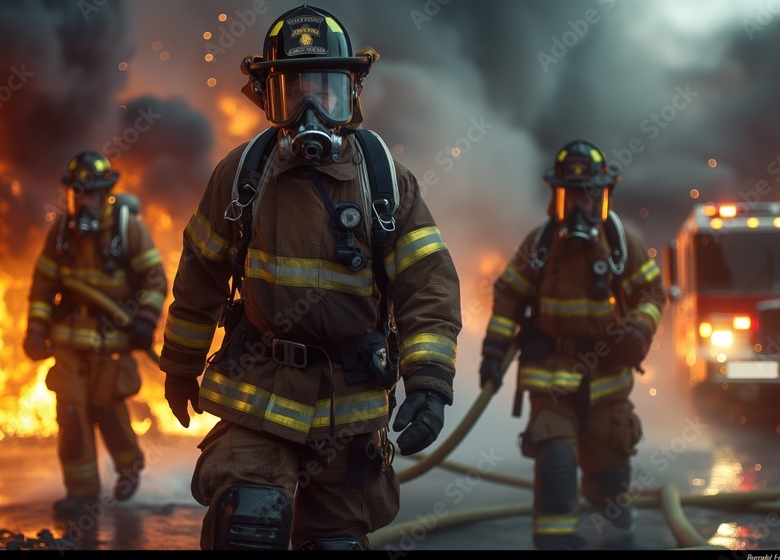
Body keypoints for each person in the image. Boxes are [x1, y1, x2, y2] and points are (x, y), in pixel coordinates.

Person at [158, 4, 462, 551]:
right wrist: (180, 367)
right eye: (292, 92)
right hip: (258, 393)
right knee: (249, 523)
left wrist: (430, 382)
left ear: (352, 95)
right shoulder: (242, 175)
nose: (310, 110)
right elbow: (199, 278)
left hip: (350, 404)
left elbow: (429, 289)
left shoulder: (384, 180)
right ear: (267, 99)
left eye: (326, 90)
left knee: (336, 542)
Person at [477, 139, 666, 550]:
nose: (580, 204)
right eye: (570, 194)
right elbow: (509, 296)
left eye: (589, 194)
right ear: (555, 196)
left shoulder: (620, 242)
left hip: (608, 390)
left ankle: (618, 540)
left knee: (610, 481)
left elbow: (652, 293)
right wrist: (493, 353)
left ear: (604, 195)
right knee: (557, 468)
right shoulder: (541, 244)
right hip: (553, 388)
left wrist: (638, 332)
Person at [22, 150, 168, 516]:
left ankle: (129, 467)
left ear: (104, 193)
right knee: (71, 414)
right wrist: (37, 331)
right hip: (69, 346)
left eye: (88, 194)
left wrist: (145, 322)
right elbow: (42, 286)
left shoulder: (126, 228)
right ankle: (82, 493)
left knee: (108, 411)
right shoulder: (61, 234)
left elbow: (154, 280)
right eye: (76, 194)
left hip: (112, 345)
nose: (81, 201)